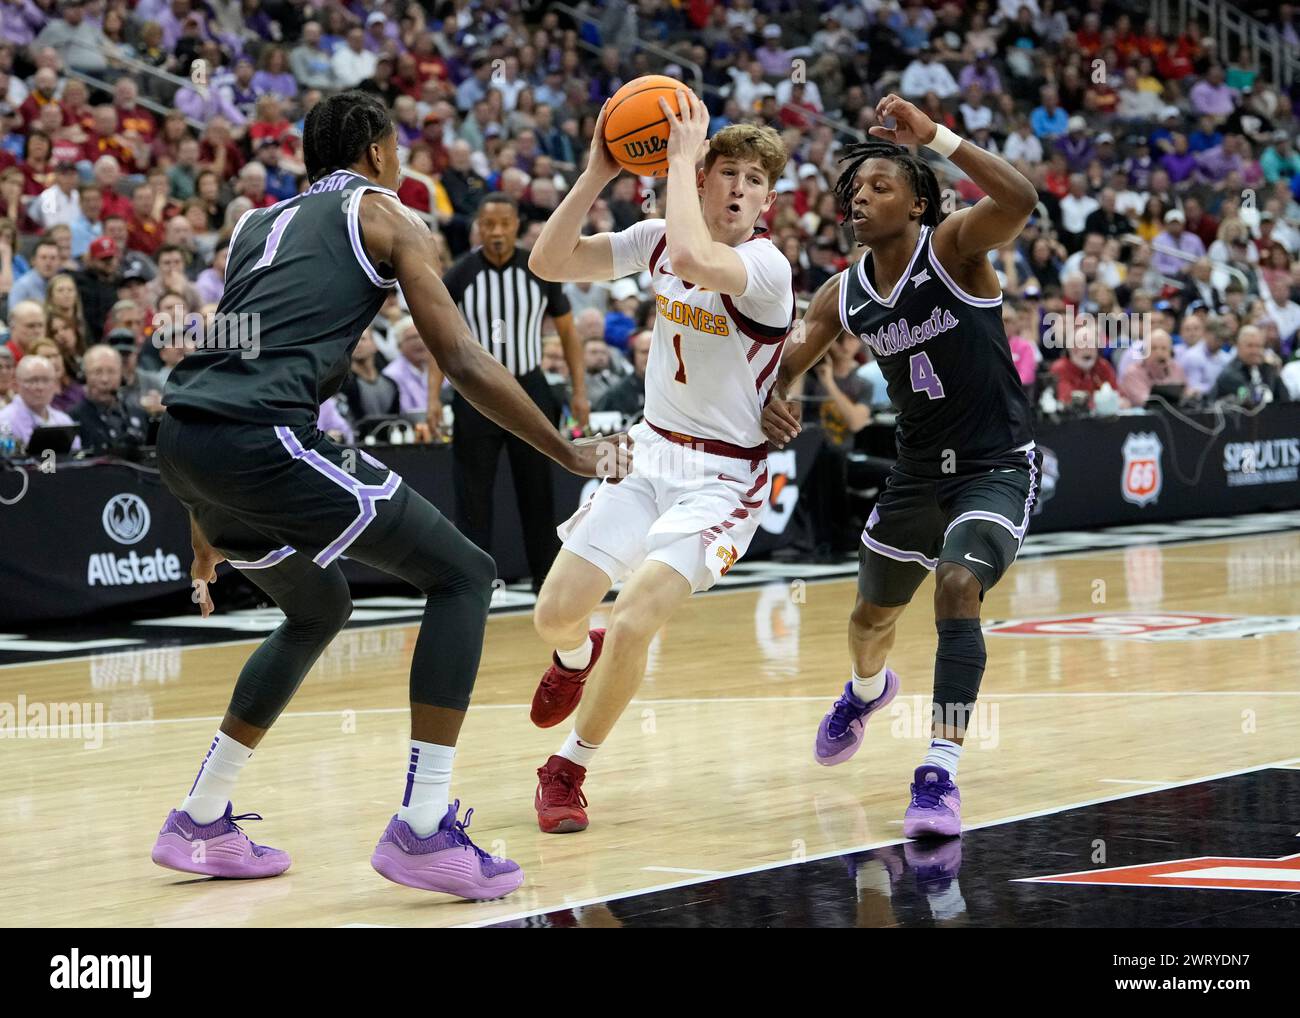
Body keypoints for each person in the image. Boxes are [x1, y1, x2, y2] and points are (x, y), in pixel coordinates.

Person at [148, 91, 627, 900]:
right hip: (265, 437)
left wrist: (204, 523)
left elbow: (226, 356)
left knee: (317, 608)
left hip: (187, 441)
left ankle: (200, 817)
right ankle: (425, 827)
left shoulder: (254, 227)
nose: (400, 162)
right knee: (464, 575)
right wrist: (565, 449)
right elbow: (465, 362)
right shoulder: (388, 217)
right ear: (375, 154)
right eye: (397, 147)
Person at [763, 94, 1040, 839]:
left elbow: (1021, 198)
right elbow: (794, 357)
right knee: (868, 618)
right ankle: (866, 691)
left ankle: (939, 771)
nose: (860, 197)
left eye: (880, 186)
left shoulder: (953, 248)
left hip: (993, 465)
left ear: (918, 203)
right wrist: (776, 395)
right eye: (855, 190)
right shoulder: (843, 291)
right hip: (915, 474)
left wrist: (938, 136)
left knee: (957, 586)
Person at [525, 92, 795, 834]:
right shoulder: (653, 237)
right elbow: (547, 261)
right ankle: (577, 660)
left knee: (639, 609)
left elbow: (690, 256)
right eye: (728, 173)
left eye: (756, 182)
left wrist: (680, 156)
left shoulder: (765, 266)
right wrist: (594, 173)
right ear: (702, 183)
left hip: (725, 479)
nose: (741, 190)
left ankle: (569, 768)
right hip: (647, 456)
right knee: (554, 613)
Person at [436, 194, 590, 589]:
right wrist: (431, 398)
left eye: (505, 223)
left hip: (531, 389)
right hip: (475, 396)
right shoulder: (460, 273)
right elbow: (438, 339)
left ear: (517, 225)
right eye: (489, 224)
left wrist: (579, 392)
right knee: (472, 494)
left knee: (538, 489)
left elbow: (569, 333)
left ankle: (546, 581)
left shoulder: (539, 268)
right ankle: (471, 584)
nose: (497, 232)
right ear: (478, 228)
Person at [0, 352, 79, 450]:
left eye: (46, 380)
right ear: (16, 385)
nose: (40, 387)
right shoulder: (4, 422)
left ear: (55, 384)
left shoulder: (64, 421)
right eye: (32, 381)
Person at [1211, 325, 1290, 404]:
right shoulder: (1229, 374)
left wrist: (1276, 374)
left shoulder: (1268, 369)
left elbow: (1285, 399)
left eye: (1258, 346)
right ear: (1238, 347)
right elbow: (1250, 398)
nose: (1255, 351)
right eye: (1250, 346)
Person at [1118, 328, 1187, 405]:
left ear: (1170, 352)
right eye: (1153, 348)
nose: (1159, 353)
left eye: (1164, 348)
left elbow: (1184, 395)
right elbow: (1143, 401)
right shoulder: (1132, 372)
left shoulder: (1176, 369)